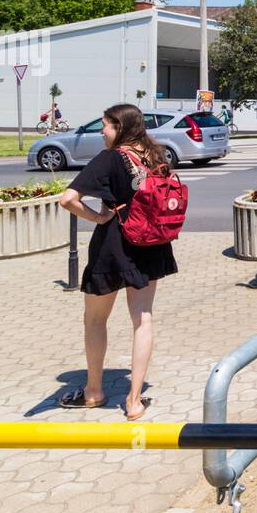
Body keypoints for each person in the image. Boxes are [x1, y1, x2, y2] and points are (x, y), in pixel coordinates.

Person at [57, 103, 176, 420]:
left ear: (120, 128)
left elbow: (68, 199)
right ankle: (134, 401)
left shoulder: (110, 158)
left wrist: (97, 217)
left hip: (113, 245)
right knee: (143, 319)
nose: (101, 131)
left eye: (106, 126)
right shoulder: (155, 156)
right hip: (151, 244)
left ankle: (93, 391)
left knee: (95, 319)